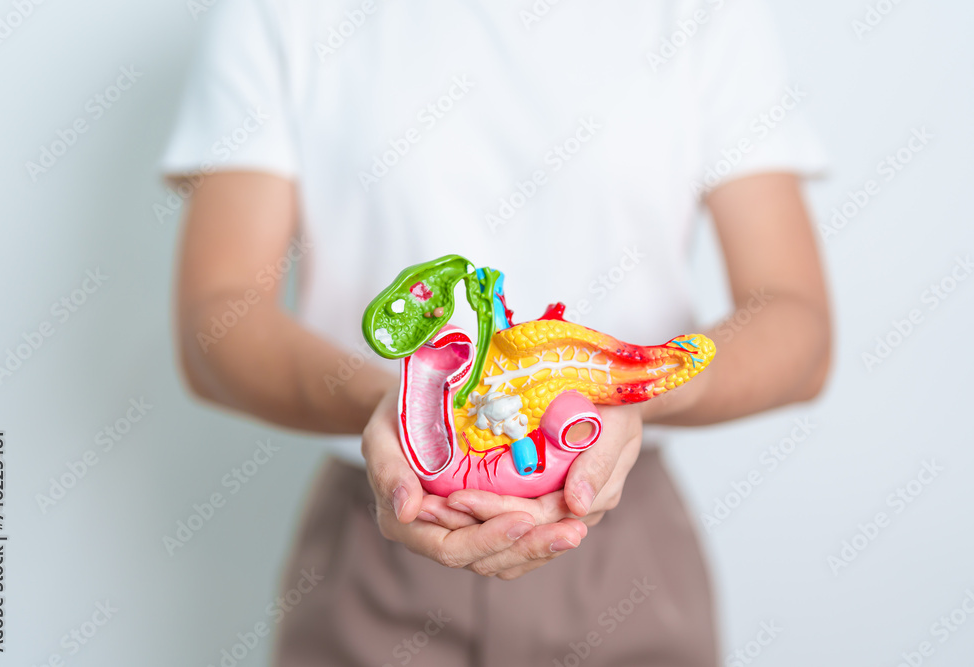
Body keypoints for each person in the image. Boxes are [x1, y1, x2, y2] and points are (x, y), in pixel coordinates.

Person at [163, 0, 831, 664]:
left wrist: (631, 393)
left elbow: (795, 323)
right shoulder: (280, 13)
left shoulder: (704, 13)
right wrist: (399, 407)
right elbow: (218, 319)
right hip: (377, 545)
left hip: (627, 551)